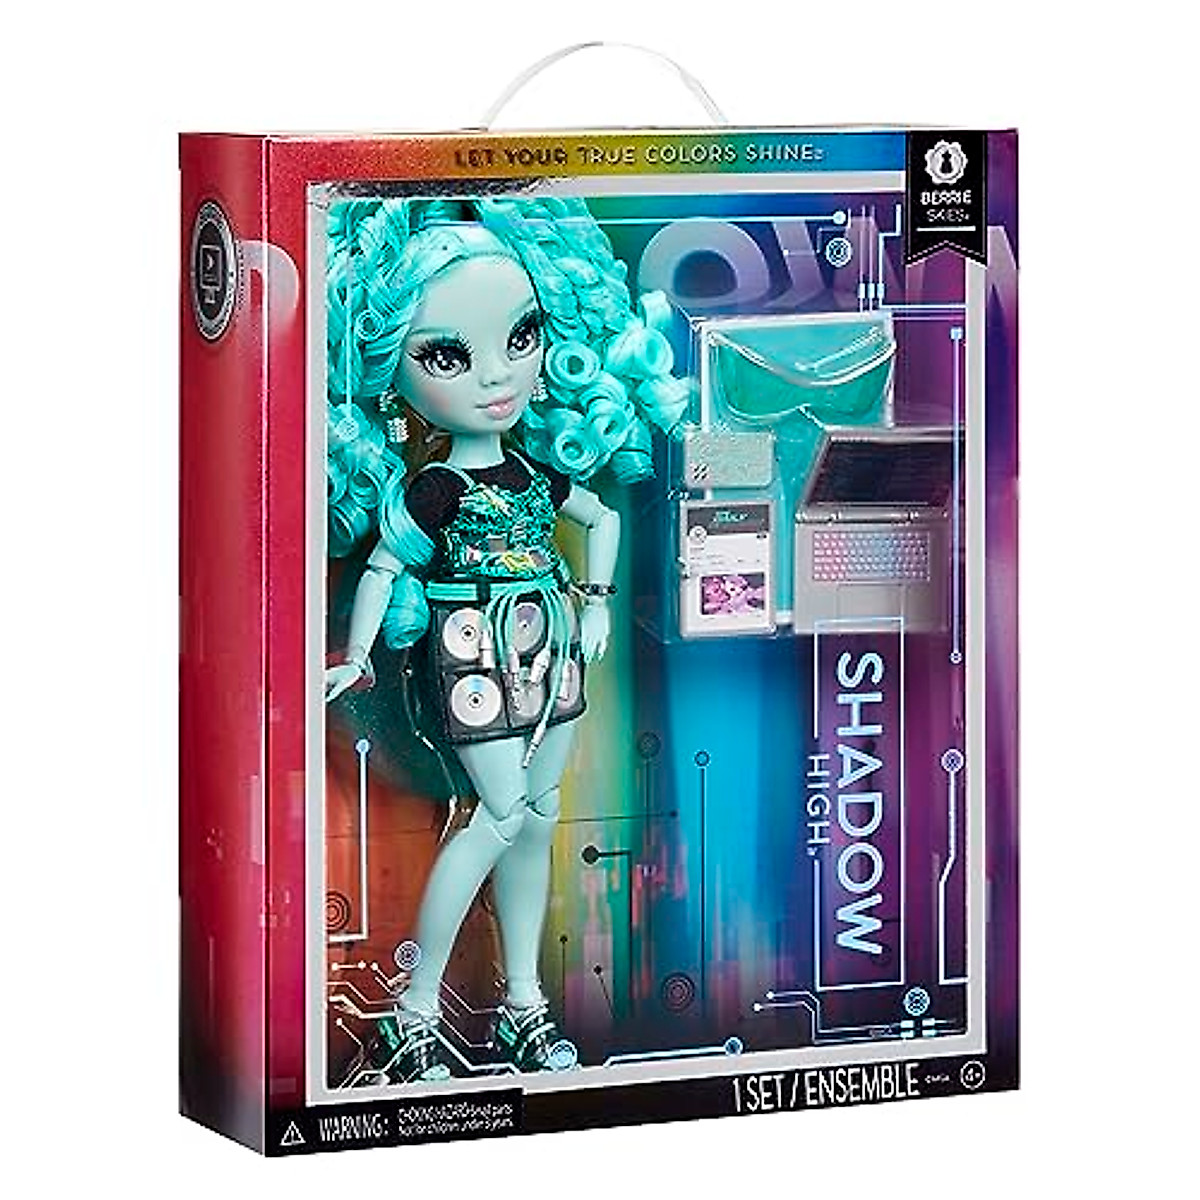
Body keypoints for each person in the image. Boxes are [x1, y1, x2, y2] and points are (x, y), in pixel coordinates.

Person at [323, 196, 688, 1081]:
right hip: (470, 657)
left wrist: (597, 602)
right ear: (392, 366)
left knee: (537, 816)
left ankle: (524, 1004)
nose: (496, 375)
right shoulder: (434, 490)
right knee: (497, 814)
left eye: (521, 338)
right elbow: (383, 568)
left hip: (553, 650)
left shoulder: (534, 473)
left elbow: (603, 518)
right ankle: (412, 1012)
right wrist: (358, 657)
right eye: (448, 356)